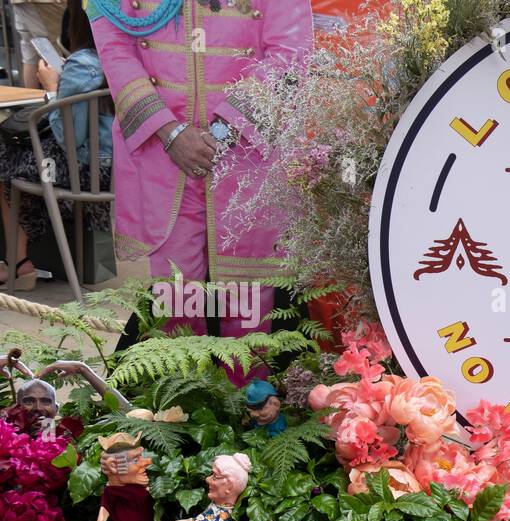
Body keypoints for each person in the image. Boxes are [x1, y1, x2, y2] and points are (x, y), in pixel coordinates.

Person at [87, 1, 312, 347]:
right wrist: (170, 133)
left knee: (249, 294)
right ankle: (181, 396)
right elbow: (115, 48)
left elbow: (290, 52)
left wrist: (223, 131)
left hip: (246, 152)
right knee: (175, 295)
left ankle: (251, 396)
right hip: (162, 156)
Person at [0, 2, 113, 291]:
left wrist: (53, 88)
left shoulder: (83, 63)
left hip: (84, 171)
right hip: (118, 168)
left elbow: (68, 139)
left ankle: (18, 262)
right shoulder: (121, 58)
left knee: (4, 156)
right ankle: (20, 261)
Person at [10, 0, 67, 90]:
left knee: (30, 55)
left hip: (20, 3)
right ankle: (59, 100)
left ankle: (32, 100)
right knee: (54, 55)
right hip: (46, 4)